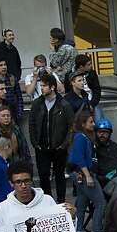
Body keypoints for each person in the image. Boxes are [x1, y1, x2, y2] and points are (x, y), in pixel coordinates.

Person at [28, 72, 74, 203]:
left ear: (52, 87)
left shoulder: (64, 104)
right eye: (40, 85)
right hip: (41, 147)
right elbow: (32, 123)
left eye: (44, 86)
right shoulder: (37, 104)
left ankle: (61, 200)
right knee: (43, 175)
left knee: (59, 175)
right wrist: (34, 142)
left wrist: (64, 144)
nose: (41, 88)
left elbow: (71, 126)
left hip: (59, 147)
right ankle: (47, 201)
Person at [66, 109, 102, 232]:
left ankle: (78, 231)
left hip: (80, 173)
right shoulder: (80, 137)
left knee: (82, 202)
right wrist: (87, 175)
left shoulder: (85, 137)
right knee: (100, 202)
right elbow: (79, 158)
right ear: (83, 124)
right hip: (82, 174)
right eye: (90, 122)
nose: (93, 124)